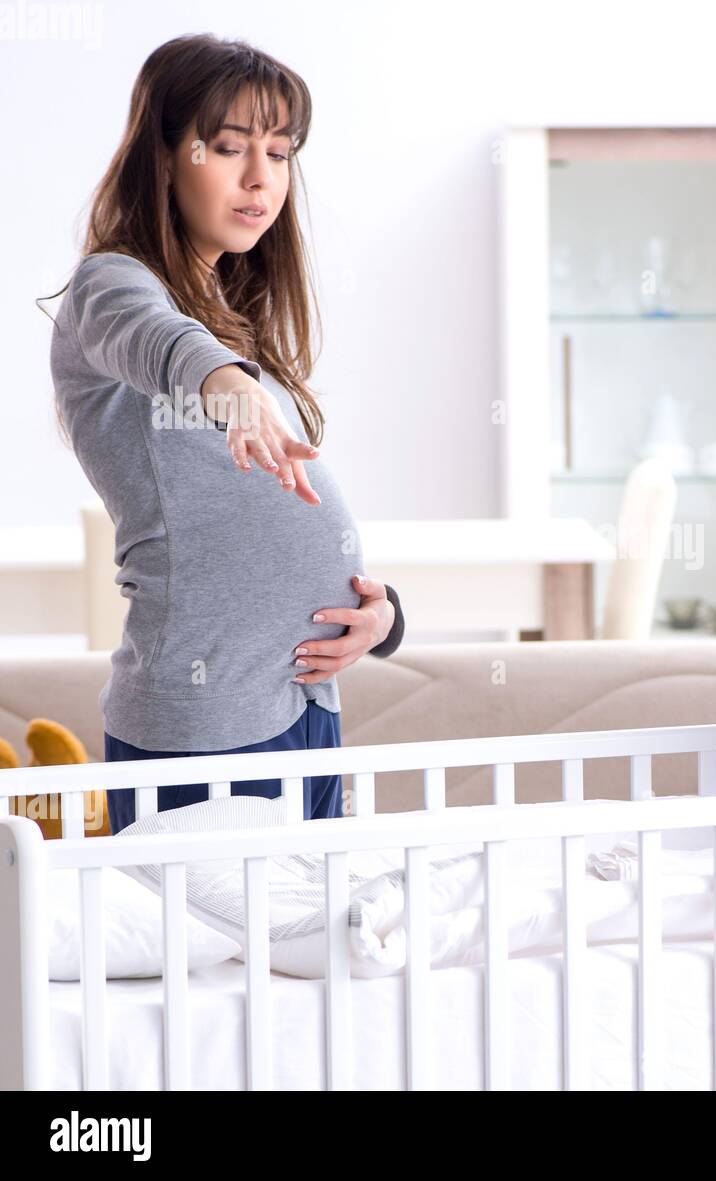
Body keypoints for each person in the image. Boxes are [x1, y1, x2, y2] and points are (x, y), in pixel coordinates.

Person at [43, 35, 406, 831]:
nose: (260, 178)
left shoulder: (230, 318)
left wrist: (380, 618)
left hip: (305, 706)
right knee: (221, 957)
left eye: (279, 153)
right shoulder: (112, 287)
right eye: (230, 148)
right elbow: (151, 337)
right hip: (204, 726)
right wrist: (225, 382)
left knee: (309, 949)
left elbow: (269, 524)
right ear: (165, 156)